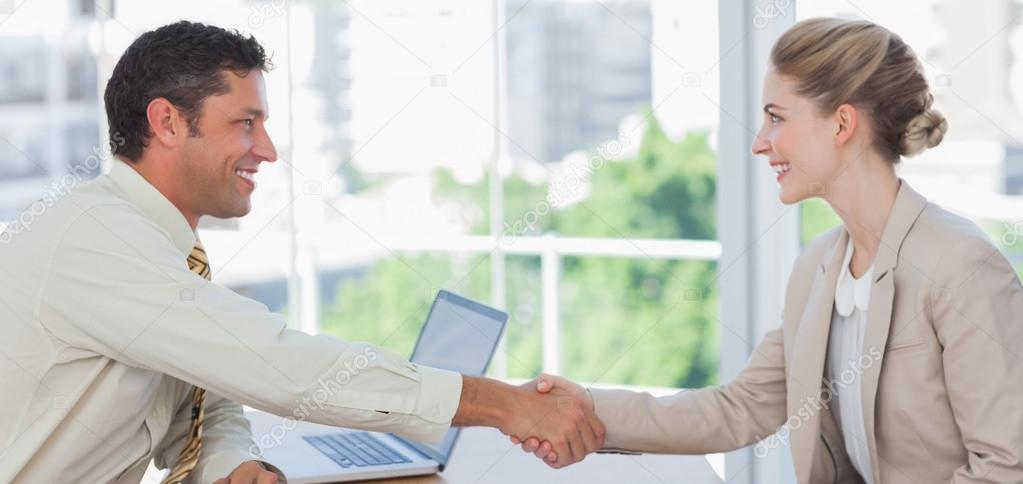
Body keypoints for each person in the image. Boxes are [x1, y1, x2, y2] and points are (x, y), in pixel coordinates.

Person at [0, 21, 602, 484]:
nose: (267, 149)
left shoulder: (152, 243)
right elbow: (275, 362)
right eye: (246, 122)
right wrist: (503, 403)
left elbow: (203, 395)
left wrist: (232, 463)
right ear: (167, 123)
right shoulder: (96, 238)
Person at [514, 17, 1023, 482]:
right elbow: (738, 409)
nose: (760, 143)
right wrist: (585, 407)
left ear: (842, 125)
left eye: (776, 118)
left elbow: (1006, 467)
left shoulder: (961, 266)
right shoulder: (818, 268)